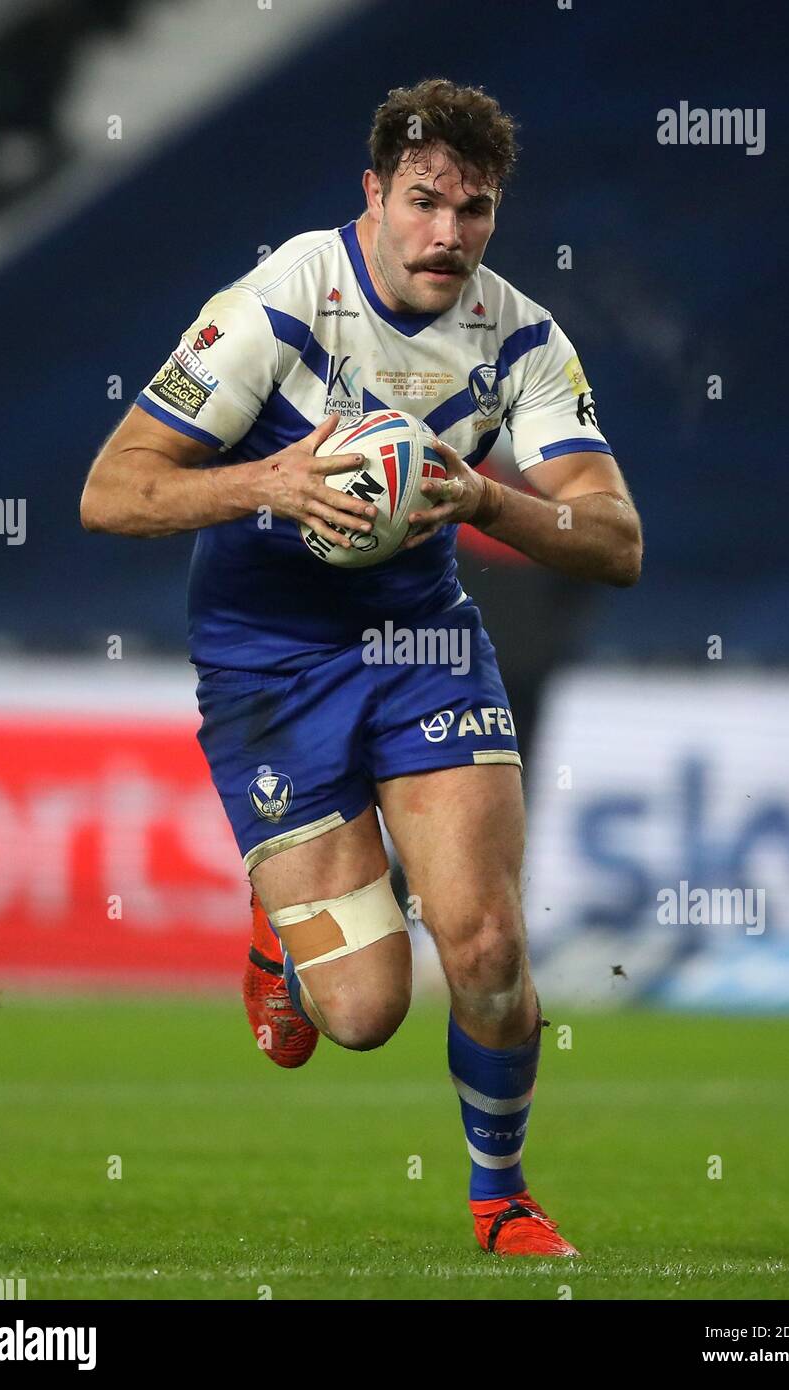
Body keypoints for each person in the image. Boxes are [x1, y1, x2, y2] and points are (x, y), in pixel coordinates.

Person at [80, 77, 642, 1258]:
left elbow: (616, 541)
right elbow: (111, 491)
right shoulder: (278, 306)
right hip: (270, 666)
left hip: (426, 650)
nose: (448, 234)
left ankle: (503, 1201)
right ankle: (276, 924)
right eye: (427, 202)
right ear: (376, 193)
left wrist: (488, 496)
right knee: (364, 1012)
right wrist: (266, 482)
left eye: (475, 210)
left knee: (485, 940)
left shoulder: (520, 336)